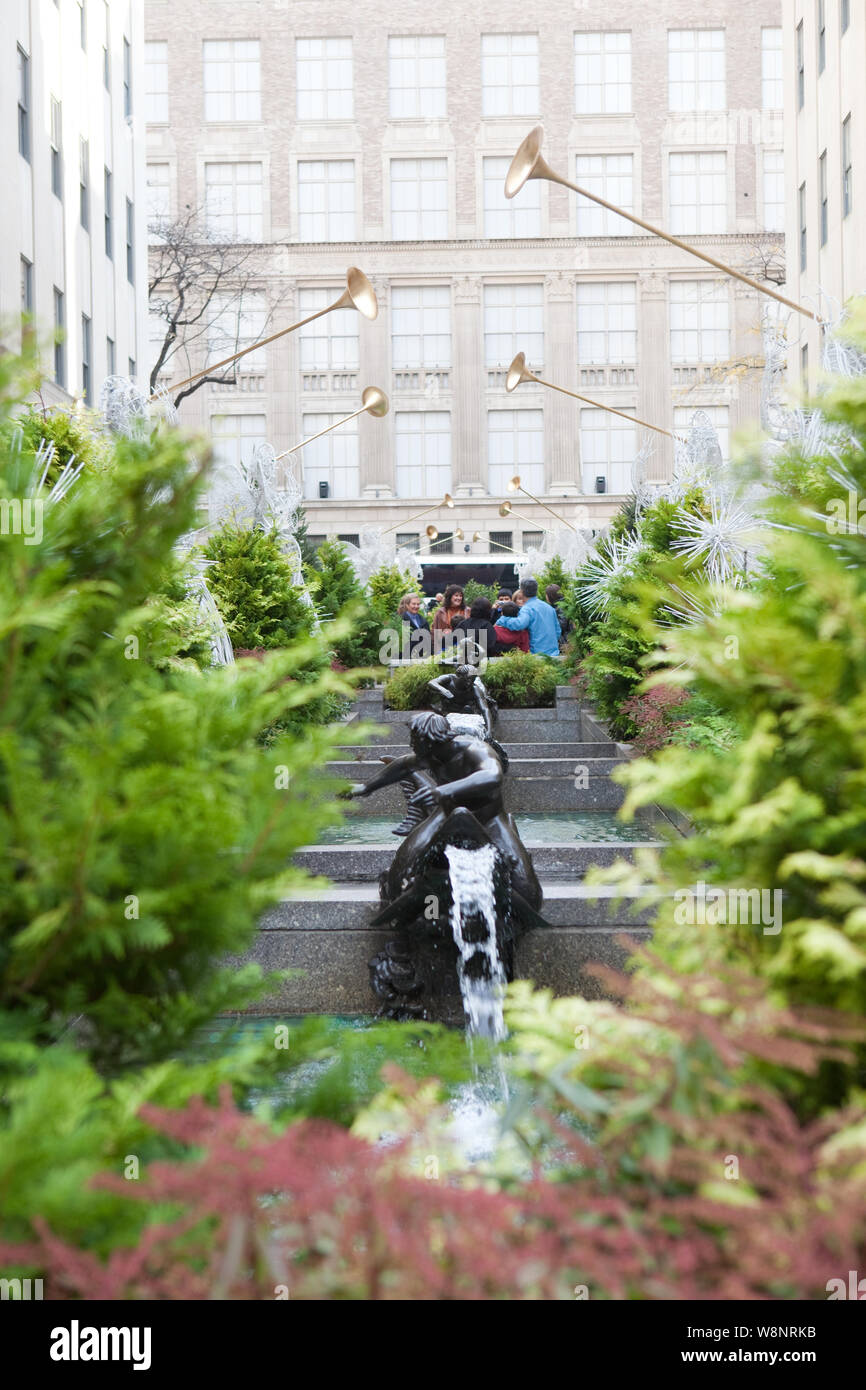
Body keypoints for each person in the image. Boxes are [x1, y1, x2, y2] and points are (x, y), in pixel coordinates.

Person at [494, 576, 561, 657]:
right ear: (536, 590)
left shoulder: (527, 609)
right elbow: (558, 632)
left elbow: (519, 624)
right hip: (554, 654)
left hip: (537, 655)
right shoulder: (549, 608)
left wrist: (503, 619)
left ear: (522, 592)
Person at [451, 595, 503, 660]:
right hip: (483, 661)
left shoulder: (463, 623)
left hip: (464, 660)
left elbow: (452, 640)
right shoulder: (487, 625)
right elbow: (491, 645)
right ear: (488, 610)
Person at [545, 584, 572, 650]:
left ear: (551, 596)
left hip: (564, 641)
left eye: (546, 594)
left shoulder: (560, 606)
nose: (545, 596)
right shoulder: (557, 605)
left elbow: (562, 624)